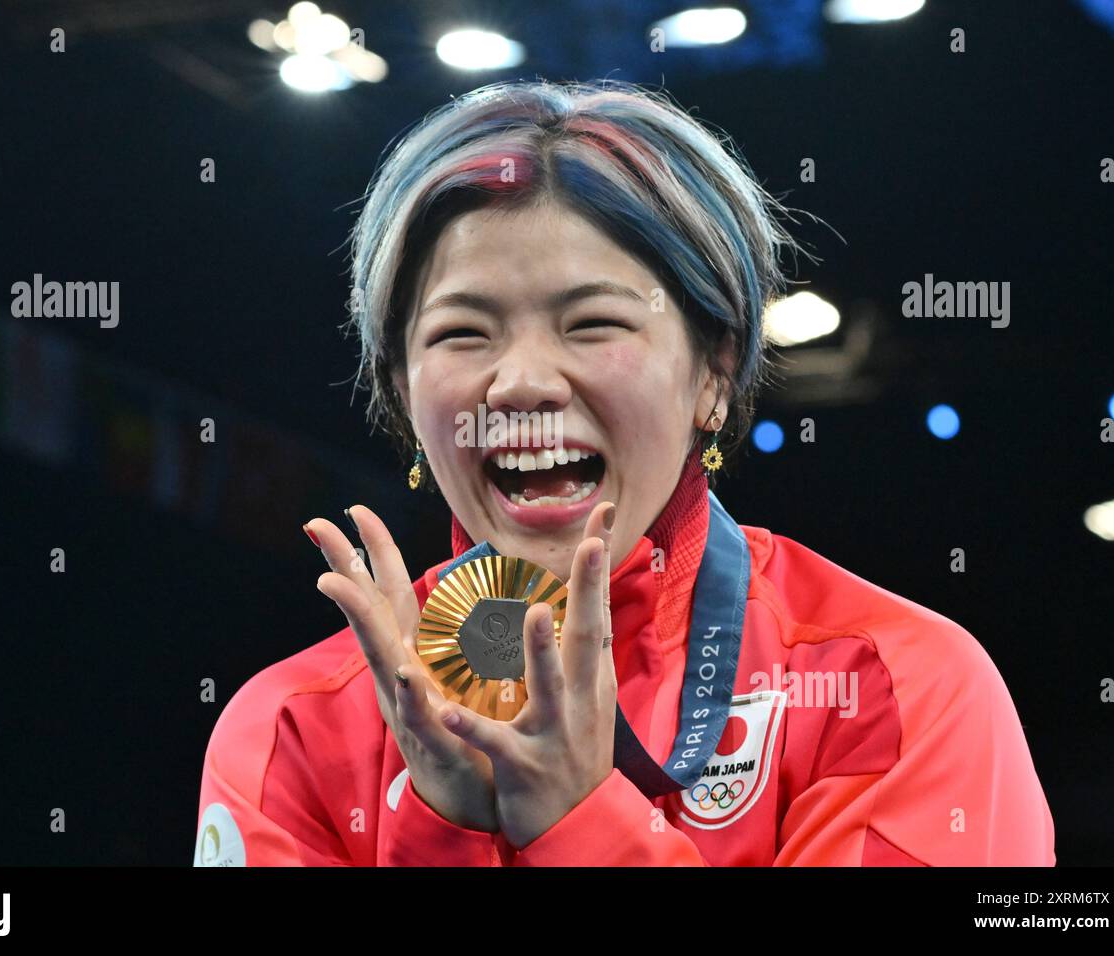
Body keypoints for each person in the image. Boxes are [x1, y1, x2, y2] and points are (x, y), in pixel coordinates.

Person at [193, 79, 1055, 866]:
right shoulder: (291, 734)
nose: (521, 380)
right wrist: (441, 826)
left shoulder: (895, 691)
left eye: (593, 322)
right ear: (402, 392)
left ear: (713, 373)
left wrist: (579, 821)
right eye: (462, 332)